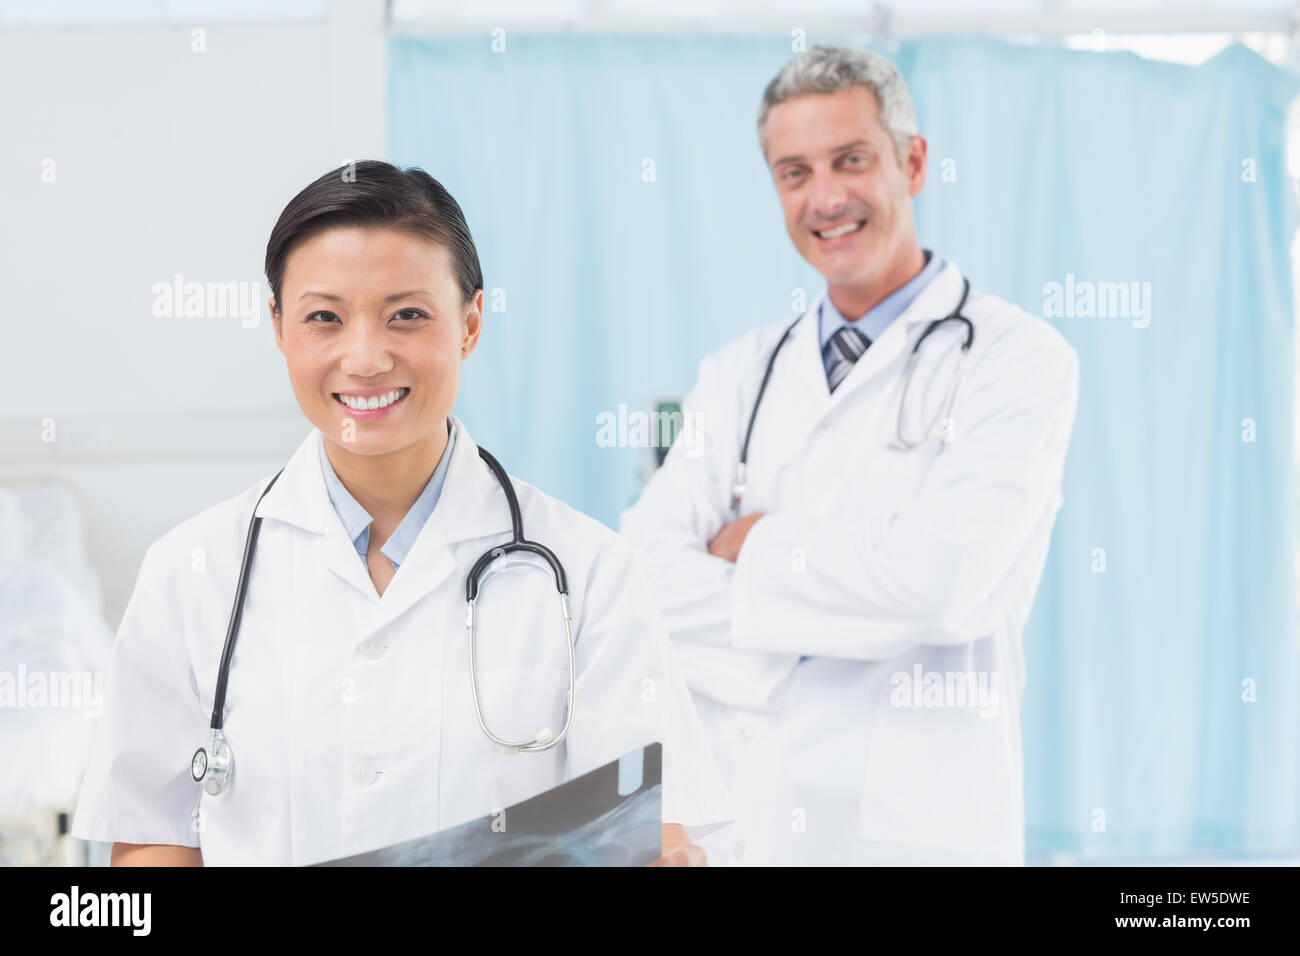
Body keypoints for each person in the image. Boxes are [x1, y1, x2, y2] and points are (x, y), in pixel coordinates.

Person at [71, 160, 731, 866]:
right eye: (324, 317)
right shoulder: (191, 572)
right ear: (278, 327)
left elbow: (649, 826)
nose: (365, 358)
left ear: (471, 323)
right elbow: (152, 840)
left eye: (407, 315)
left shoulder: (587, 569)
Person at [620, 45, 1080, 865]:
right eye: (794, 172)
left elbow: (941, 584)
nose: (825, 197)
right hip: (746, 822)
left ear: (912, 161)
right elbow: (643, 577)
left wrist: (749, 542)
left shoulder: (1017, 358)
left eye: (851, 160)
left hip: (919, 832)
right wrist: (854, 590)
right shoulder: (738, 372)